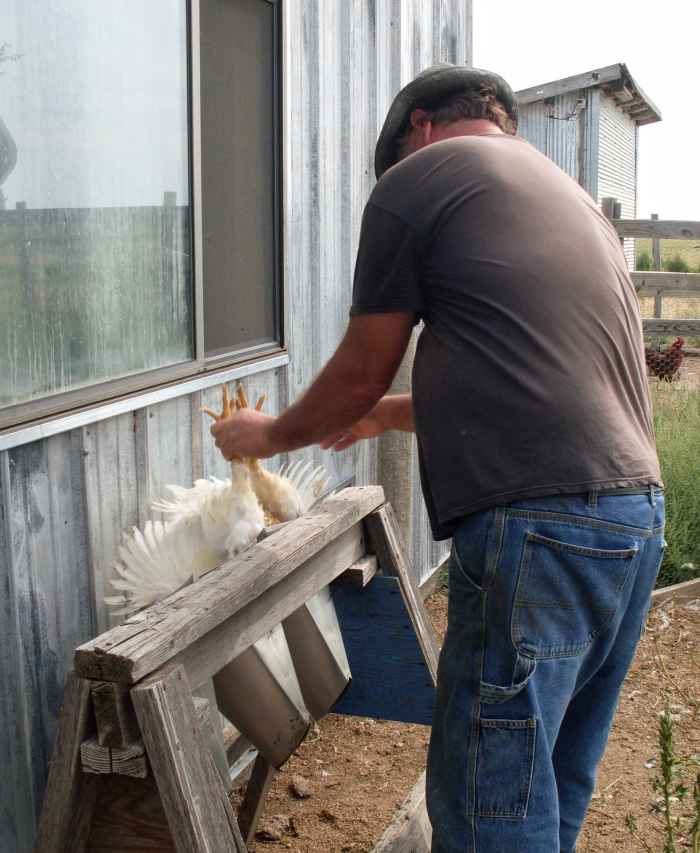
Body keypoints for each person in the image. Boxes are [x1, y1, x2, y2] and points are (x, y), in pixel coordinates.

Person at [211, 64, 665, 853]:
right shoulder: (573, 202)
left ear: (417, 128)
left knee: (491, 797)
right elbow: (535, 384)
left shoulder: (420, 176)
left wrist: (268, 434)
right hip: (632, 522)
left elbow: (361, 365)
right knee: (550, 776)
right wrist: (378, 418)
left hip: (541, 527)